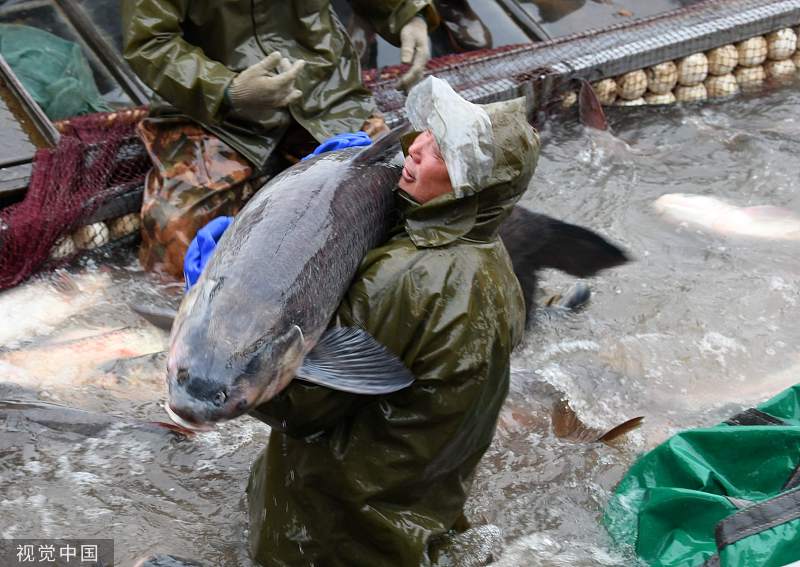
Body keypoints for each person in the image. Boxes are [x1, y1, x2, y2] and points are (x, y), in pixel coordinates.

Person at [245, 77, 540, 566]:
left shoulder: (405, 278)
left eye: (442, 152)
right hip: (409, 513)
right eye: (428, 131)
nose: (416, 147)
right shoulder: (491, 260)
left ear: (469, 189)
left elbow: (297, 405)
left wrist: (231, 316)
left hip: (332, 535)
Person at [121, 0, 439, 278]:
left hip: (324, 95)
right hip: (215, 115)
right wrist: (226, 88)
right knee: (174, 236)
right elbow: (149, 42)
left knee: (407, 193)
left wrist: (407, 12)